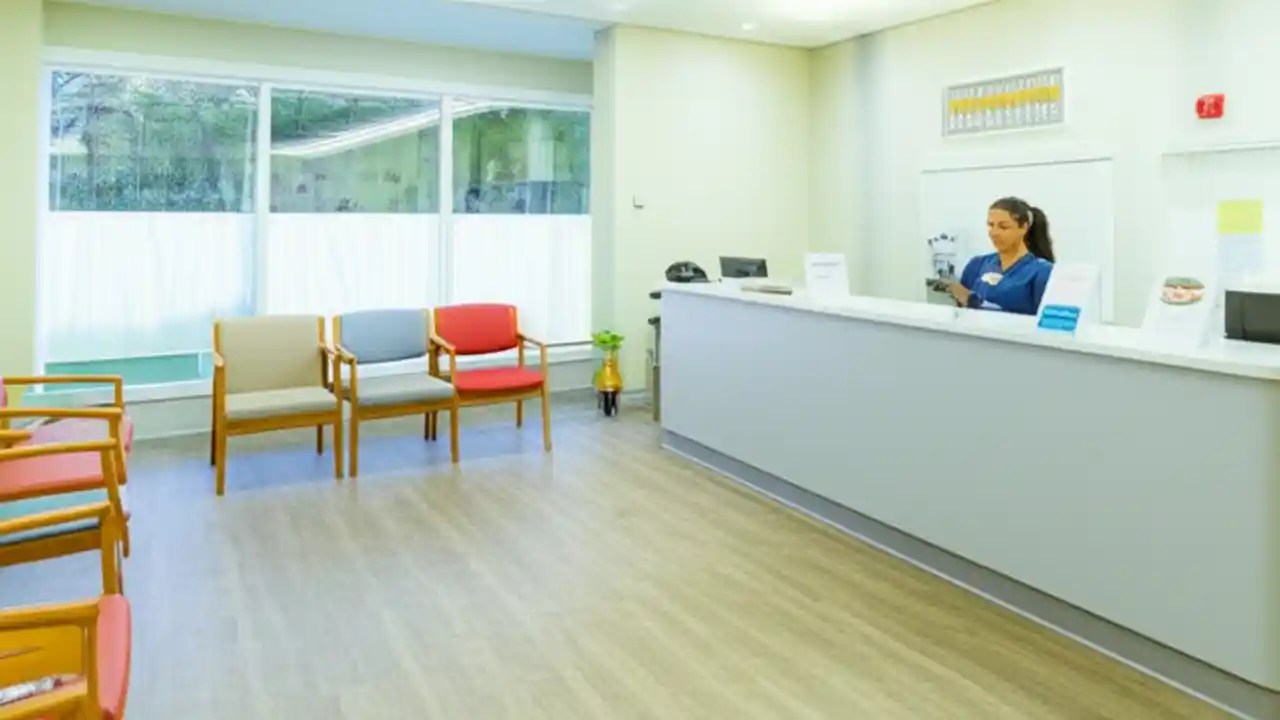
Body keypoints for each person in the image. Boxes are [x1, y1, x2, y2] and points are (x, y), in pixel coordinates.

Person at [948, 197, 1055, 315]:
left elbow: (1044, 322)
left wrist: (975, 301)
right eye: (991, 225)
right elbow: (962, 313)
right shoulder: (977, 265)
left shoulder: (1042, 271)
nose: (994, 233)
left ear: (1024, 227)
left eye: (1003, 227)